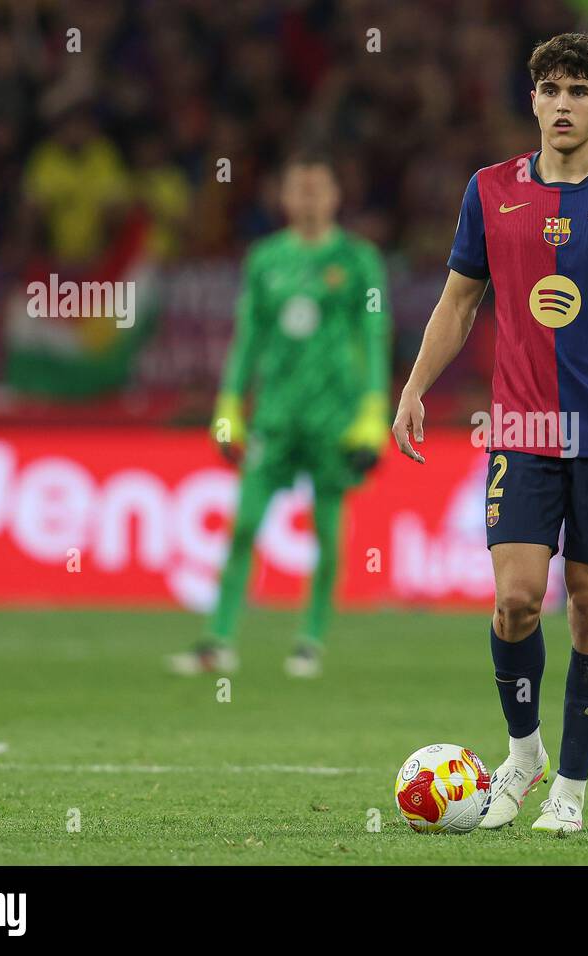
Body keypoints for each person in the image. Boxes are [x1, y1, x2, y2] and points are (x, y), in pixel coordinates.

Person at [392, 34, 588, 834]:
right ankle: (524, 753)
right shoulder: (490, 191)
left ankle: (572, 791)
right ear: (533, 100)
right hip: (521, 428)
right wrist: (416, 387)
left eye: (579, 91)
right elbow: (458, 303)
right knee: (518, 600)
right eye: (550, 89)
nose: (563, 103)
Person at [169, 151, 392, 679]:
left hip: (334, 416)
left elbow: (374, 335)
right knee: (244, 523)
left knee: (327, 529)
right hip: (274, 414)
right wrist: (228, 405)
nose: (310, 198)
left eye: (319, 188)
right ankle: (217, 641)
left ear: (336, 196)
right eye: (300, 188)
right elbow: (248, 338)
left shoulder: (359, 261)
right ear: (285, 197)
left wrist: (373, 410)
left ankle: (310, 639)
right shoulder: (265, 260)